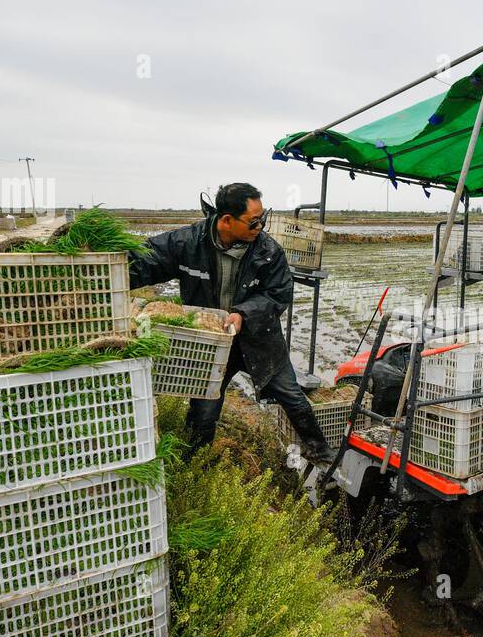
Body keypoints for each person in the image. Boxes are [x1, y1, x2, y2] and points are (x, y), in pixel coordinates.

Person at [128, 182, 336, 461]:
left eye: (263, 219)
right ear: (227, 220)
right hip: (212, 343)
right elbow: (144, 262)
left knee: (291, 395)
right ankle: (195, 463)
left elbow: (278, 293)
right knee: (204, 407)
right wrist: (104, 261)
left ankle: (320, 450)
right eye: (253, 222)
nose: (260, 226)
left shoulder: (268, 251)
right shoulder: (187, 243)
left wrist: (243, 314)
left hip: (259, 338)